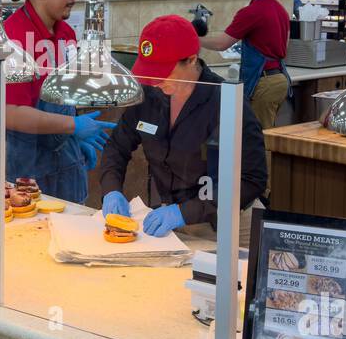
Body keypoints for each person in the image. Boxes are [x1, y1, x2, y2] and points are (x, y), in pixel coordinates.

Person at [98, 15, 267, 236]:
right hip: (176, 222)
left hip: (229, 222)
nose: (156, 81)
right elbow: (116, 147)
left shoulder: (225, 100)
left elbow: (252, 179)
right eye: (151, 72)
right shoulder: (149, 94)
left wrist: (183, 213)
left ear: (191, 59)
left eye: (163, 71)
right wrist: (111, 190)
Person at [0, 0, 114, 203]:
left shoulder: (67, 34)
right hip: (18, 155)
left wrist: (73, 141)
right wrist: (73, 127)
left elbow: (67, 95)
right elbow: (7, 112)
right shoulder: (11, 37)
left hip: (61, 154)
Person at [198, 0, 291, 131]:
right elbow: (283, 45)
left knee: (257, 139)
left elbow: (221, 44)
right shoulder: (280, 9)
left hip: (263, 82)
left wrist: (193, 39)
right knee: (265, 134)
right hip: (279, 79)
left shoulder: (251, 12)